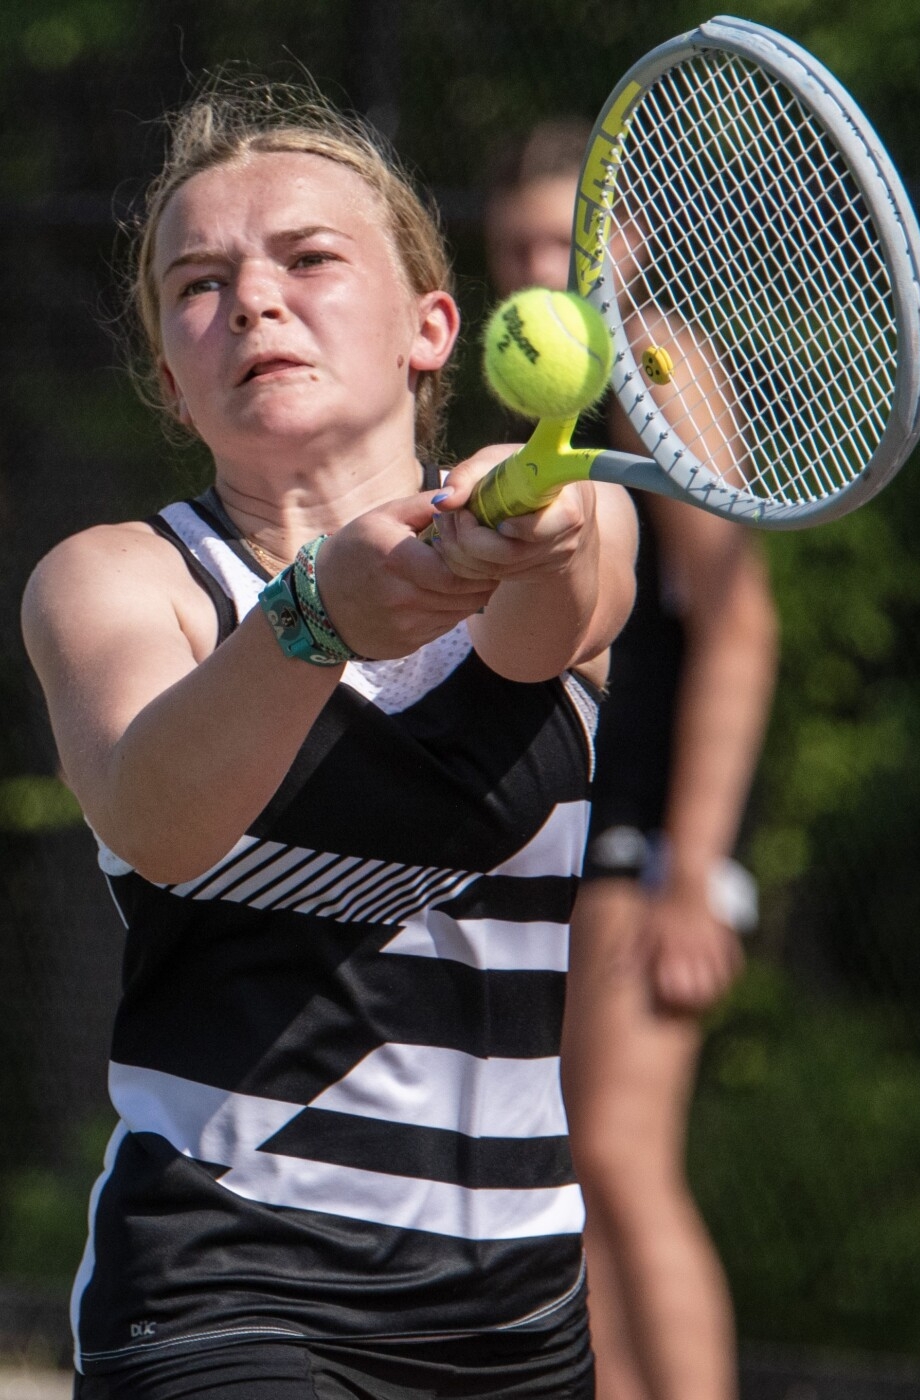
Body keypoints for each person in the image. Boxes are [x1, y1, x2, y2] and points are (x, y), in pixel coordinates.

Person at [20, 80, 639, 1400]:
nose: (253, 299)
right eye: (199, 284)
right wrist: (311, 619)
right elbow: (155, 815)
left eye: (307, 258)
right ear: (171, 378)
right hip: (221, 1289)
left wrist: (529, 538)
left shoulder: (565, 516)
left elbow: (550, 618)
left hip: (522, 1315)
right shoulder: (116, 581)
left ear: (430, 327)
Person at [483, 121, 780, 1400]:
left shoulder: (660, 362)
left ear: (625, 247)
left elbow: (737, 621)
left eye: (562, 242)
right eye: (514, 249)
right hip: (581, 827)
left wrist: (690, 870)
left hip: (654, 832)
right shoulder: (541, 398)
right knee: (569, 1165)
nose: (537, 268)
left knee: (615, 1150)